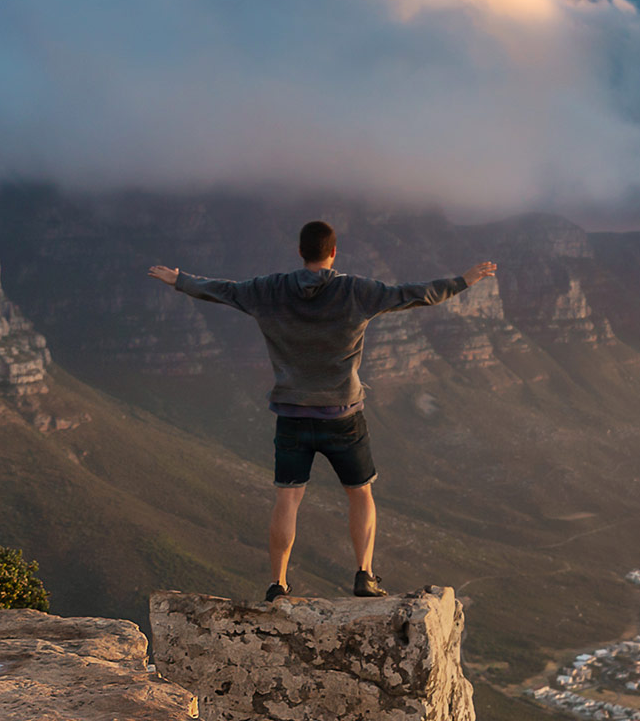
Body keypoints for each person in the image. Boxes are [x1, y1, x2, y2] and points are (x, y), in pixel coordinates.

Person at [147, 220, 495, 601]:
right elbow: (412, 295)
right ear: (333, 253)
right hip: (343, 416)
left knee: (288, 497)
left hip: (292, 415)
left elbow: (223, 291)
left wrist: (180, 280)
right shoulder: (356, 291)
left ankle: (277, 584)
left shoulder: (271, 290)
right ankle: (364, 574)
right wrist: (463, 281)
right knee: (360, 494)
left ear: (300, 252)